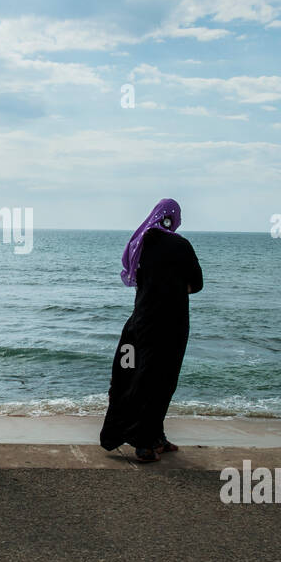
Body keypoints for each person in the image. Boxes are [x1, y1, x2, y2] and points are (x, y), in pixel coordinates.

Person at [100, 198, 203, 463]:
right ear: (174, 219)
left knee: (130, 376)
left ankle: (144, 436)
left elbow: (138, 282)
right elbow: (197, 284)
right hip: (169, 326)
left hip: (138, 325)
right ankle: (144, 444)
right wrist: (176, 290)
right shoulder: (181, 245)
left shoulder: (139, 244)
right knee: (160, 381)